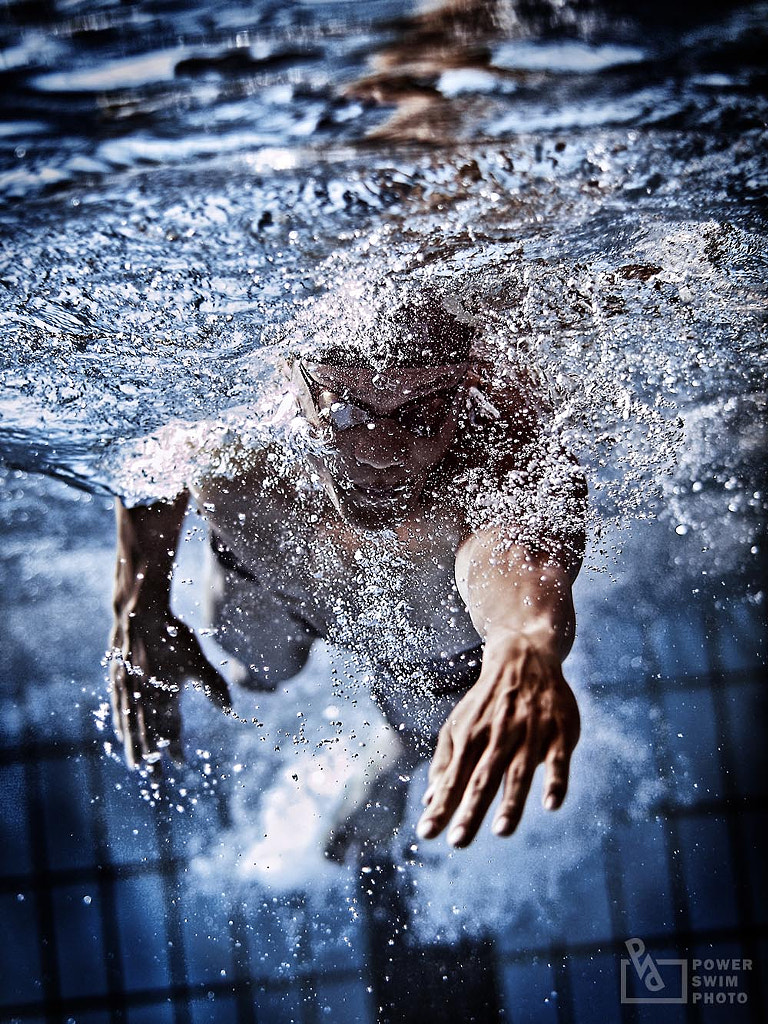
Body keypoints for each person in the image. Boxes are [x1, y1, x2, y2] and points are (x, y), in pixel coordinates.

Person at [109, 289, 586, 852]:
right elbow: (152, 455)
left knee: (433, 717)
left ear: (469, 388)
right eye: (346, 413)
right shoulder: (234, 424)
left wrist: (523, 639)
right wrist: (140, 602)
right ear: (296, 384)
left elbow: (515, 546)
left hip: (421, 633)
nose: (381, 452)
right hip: (271, 580)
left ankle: (399, 762)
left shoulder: (506, 439)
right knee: (254, 669)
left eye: (424, 413)